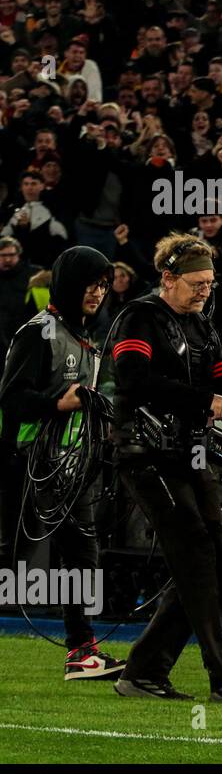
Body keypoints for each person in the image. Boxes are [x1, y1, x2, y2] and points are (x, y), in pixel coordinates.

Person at [102, 233, 222, 704]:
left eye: (210, 283)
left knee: (211, 560)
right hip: (144, 452)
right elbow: (132, 378)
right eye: (196, 282)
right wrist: (206, 401)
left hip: (186, 453)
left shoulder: (202, 327)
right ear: (167, 278)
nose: (205, 291)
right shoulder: (141, 315)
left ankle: (145, 670)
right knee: (195, 553)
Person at [0, 246, 125, 679]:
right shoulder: (39, 332)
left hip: (69, 470)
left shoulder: (85, 337)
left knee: (82, 557)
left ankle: (82, 651)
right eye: (91, 283)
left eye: (104, 285)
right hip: (26, 466)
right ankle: (81, 648)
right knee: (13, 560)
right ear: (69, 283)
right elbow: (11, 399)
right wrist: (59, 403)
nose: (98, 292)